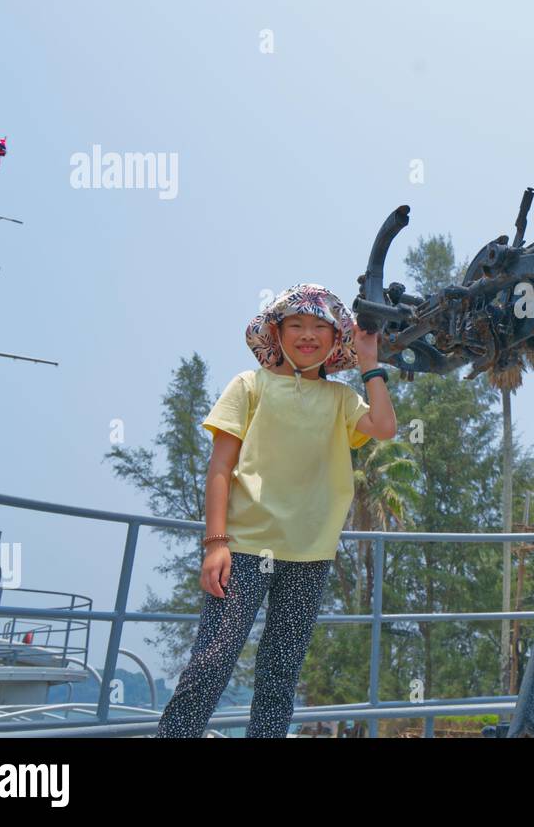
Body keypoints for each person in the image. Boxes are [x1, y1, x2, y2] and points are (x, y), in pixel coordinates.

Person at [156, 283, 397, 738]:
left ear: (334, 338)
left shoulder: (341, 400)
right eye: (296, 325)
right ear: (276, 333)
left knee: (279, 676)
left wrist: (369, 362)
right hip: (243, 548)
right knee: (212, 661)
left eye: (319, 327)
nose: (308, 335)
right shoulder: (249, 386)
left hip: (309, 554)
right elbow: (221, 469)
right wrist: (215, 543)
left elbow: (384, 426)